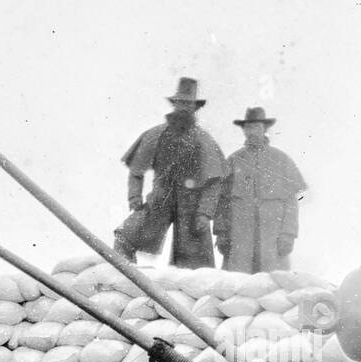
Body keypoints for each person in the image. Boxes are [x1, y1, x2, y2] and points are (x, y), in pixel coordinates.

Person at [114, 77, 226, 268]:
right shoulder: (156, 134)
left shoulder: (203, 140)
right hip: (160, 199)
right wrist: (134, 197)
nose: (183, 107)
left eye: (188, 104)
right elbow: (136, 170)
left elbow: (214, 182)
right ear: (174, 104)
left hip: (192, 206)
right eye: (180, 102)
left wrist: (205, 213)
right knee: (125, 236)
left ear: (194, 107)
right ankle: (128, 279)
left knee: (195, 264)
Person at [214, 107, 307, 274]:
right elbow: (222, 202)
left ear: (265, 129)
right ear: (243, 131)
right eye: (248, 128)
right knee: (237, 284)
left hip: (272, 239)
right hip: (240, 237)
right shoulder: (234, 161)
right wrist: (221, 233)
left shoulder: (281, 160)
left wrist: (288, 234)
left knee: (273, 285)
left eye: (256, 127)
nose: (252, 132)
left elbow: (292, 202)